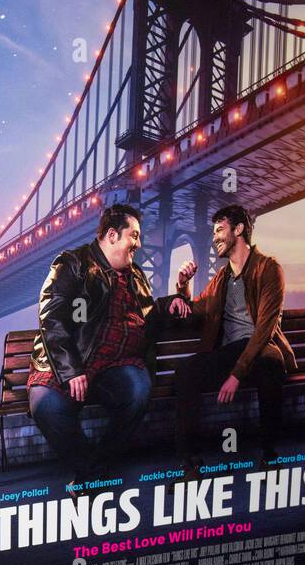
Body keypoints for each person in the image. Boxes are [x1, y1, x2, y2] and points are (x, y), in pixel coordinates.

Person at [26, 203, 189, 485]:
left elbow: (147, 315)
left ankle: (91, 473)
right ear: (112, 235)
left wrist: (173, 301)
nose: (139, 243)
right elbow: (52, 318)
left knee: (139, 390)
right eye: (134, 235)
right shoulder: (72, 263)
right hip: (72, 365)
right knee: (45, 405)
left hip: (116, 367)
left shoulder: (136, 275)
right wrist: (71, 370)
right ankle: (94, 475)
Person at [173, 204, 296, 473]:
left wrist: (236, 374)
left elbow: (265, 327)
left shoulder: (268, 269)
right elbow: (197, 310)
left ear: (238, 230)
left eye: (220, 230)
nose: (214, 237)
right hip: (229, 355)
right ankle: (191, 462)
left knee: (270, 364)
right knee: (185, 372)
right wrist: (183, 286)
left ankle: (269, 455)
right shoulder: (221, 278)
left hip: (259, 351)